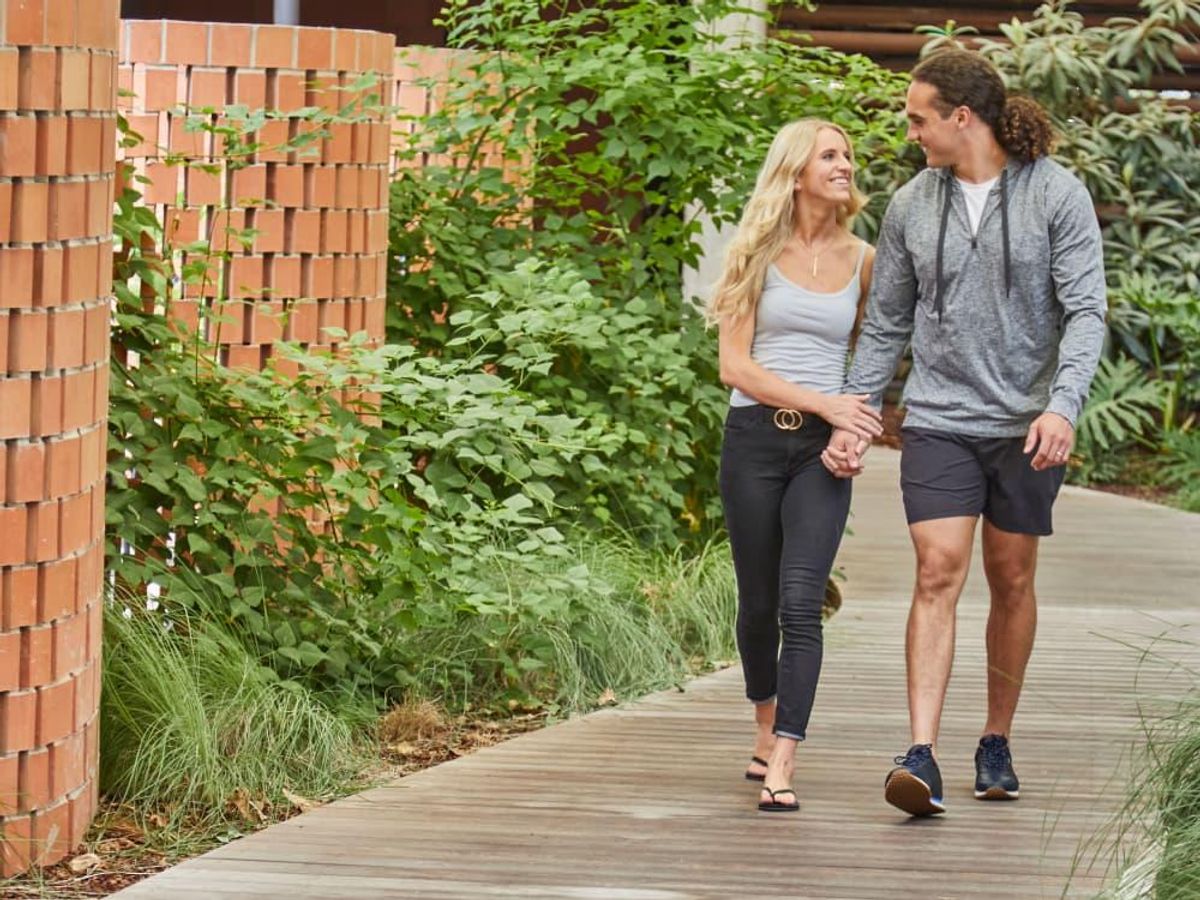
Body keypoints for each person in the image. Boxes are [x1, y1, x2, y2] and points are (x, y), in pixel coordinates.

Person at [821, 48, 1107, 816]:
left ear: (962, 117)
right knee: (938, 570)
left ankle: (996, 740)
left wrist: (1063, 405)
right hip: (941, 417)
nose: (910, 130)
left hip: (1026, 427)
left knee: (1011, 580)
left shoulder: (1057, 195)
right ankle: (920, 752)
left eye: (919, 117)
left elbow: (1086, 312)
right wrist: (859, 409)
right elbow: (886, 324)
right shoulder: (914, 203)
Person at [708, 119, 884, 813]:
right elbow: (736, 367)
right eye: (831, 155)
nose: (845, 165)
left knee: (801, 601)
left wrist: (854, 425)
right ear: (796, 170)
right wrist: (828, 402)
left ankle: (785, 755)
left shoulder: (866, 259)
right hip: (752, 439)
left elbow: (876, 354)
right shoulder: (754, 252)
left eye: (848, 155)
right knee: (756, 607)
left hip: (821, 451)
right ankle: (762, 720)